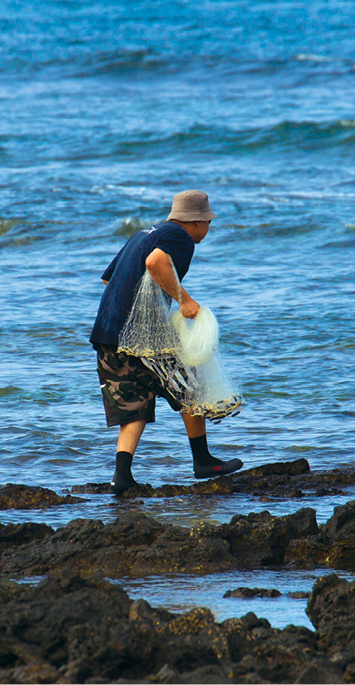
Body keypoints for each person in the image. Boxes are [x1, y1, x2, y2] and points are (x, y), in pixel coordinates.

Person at [89, 189, 243, 495]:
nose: (208, 228)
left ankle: (121, 477)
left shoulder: (144, 232)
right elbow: (155, 262)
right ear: (196, 221)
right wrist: (184, 301)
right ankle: (202, 460)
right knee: (191, 379)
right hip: (139, 335)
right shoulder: (179, 237)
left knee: (134, 402)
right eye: (208, 222)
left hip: (107, 331)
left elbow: (109, 278)